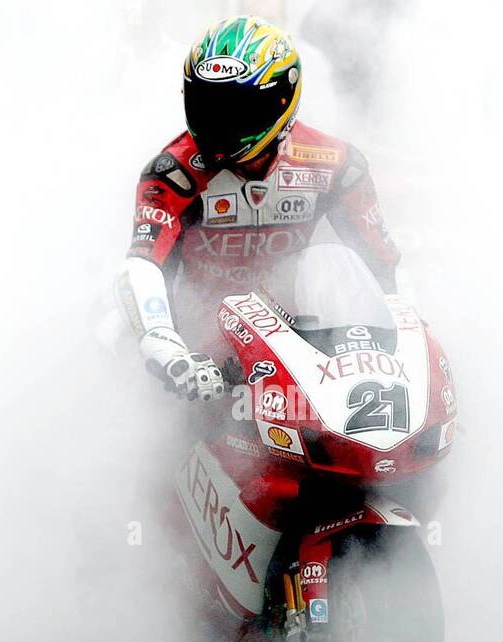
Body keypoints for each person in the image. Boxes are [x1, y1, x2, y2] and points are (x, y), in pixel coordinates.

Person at [114, 14, 400, 401]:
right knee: (154, 438)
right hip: (201, 360)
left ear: (283, 100)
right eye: (207, 105)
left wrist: (408, 344)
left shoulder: (338, 164)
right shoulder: (172, 173)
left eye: (236, 109)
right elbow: (142, 263)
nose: (218, 123)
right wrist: (163, 343)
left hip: (305, 347)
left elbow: (382, 264)